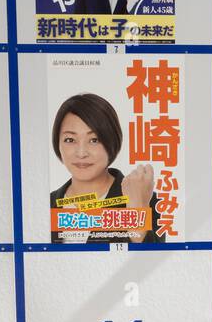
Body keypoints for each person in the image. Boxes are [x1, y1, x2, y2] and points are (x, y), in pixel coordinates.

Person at [50, 93, 164, 244]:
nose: (81, 153)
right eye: (70, 140)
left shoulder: (148, 200)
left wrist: (137, 208)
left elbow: (155, 264)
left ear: (112, 141)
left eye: (94, 140)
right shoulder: (47, 204)